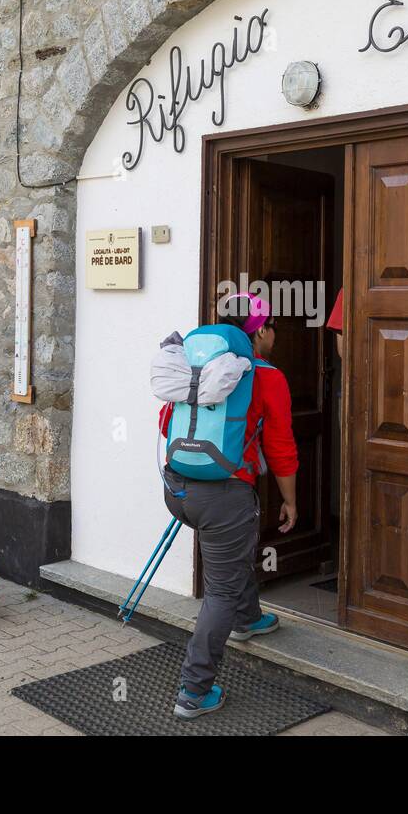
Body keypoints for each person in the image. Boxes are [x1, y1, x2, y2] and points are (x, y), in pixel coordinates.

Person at [159, 292, 298, 719]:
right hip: (223, 497)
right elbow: (280, 447)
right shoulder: (268, 377)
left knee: (231, 557)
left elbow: (165, 421)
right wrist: (291, 499)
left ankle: (249, 618)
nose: (275, 333)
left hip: (178, 488)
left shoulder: (199, 368)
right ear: (261, 333)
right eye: (271, 325)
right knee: (220, 588)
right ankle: (194, 691)